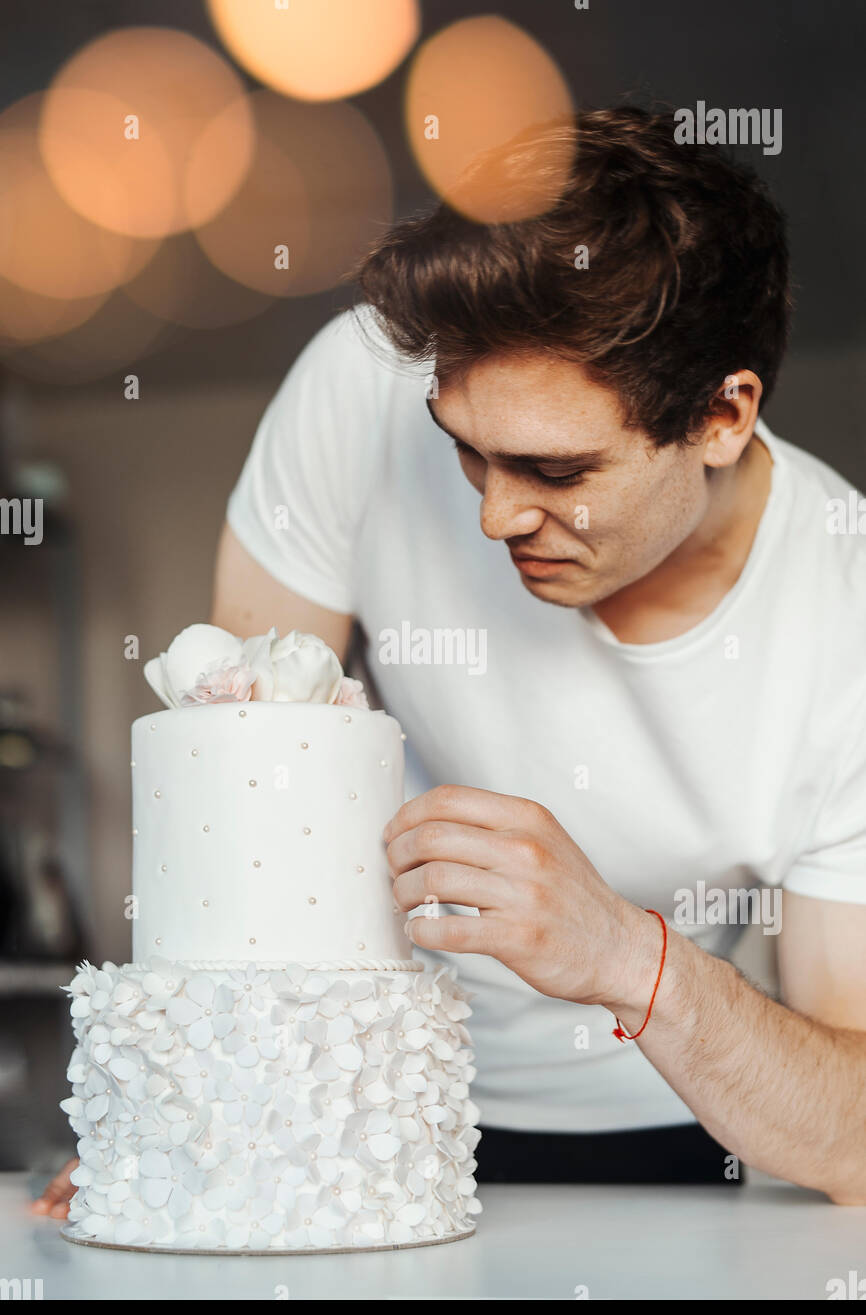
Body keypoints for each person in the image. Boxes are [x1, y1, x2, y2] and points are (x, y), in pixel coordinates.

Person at [36, 109, 866, 1215]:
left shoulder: (843, 623)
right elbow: (238, 789)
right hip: (342, 1108)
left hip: (659, 1118)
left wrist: (625, 954)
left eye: (553, 471)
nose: (492, 516)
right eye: (461, 451)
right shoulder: (355, 389)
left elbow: (852, 1141)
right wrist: (193, 1114)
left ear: (721, 415)